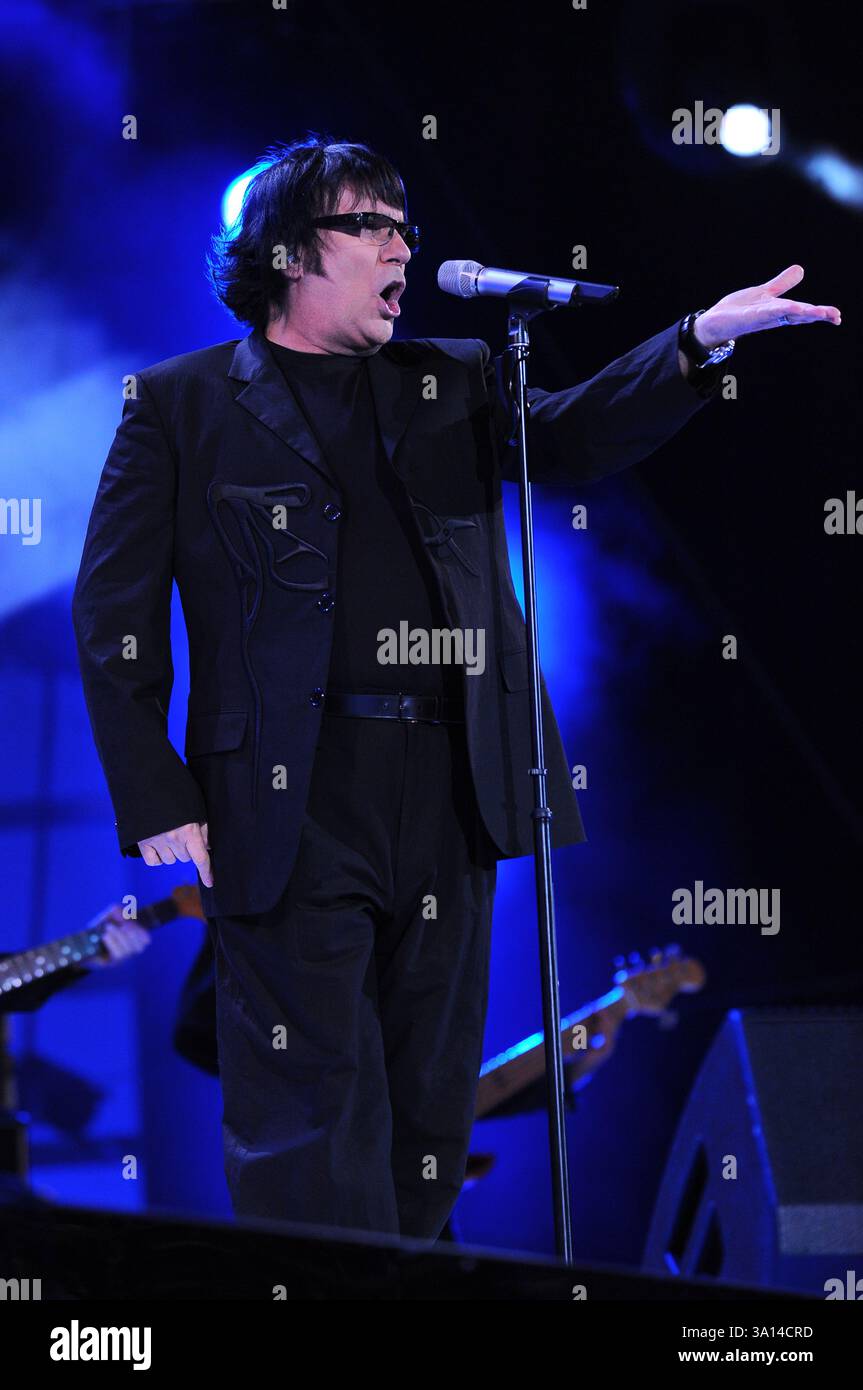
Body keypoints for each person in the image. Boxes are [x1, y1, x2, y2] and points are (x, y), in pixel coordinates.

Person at [71, 133, 840, 1241]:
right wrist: (156, 793)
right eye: (369, 225)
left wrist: (693, 343)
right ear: (286, 251)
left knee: (426, 1112)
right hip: (285, 797)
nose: (400, 248)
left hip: (450, 783)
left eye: (405, 227)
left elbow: (571, 438)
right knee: (307, 1117)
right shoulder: (180, 404)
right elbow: (115, 613)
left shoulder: (452, 377)